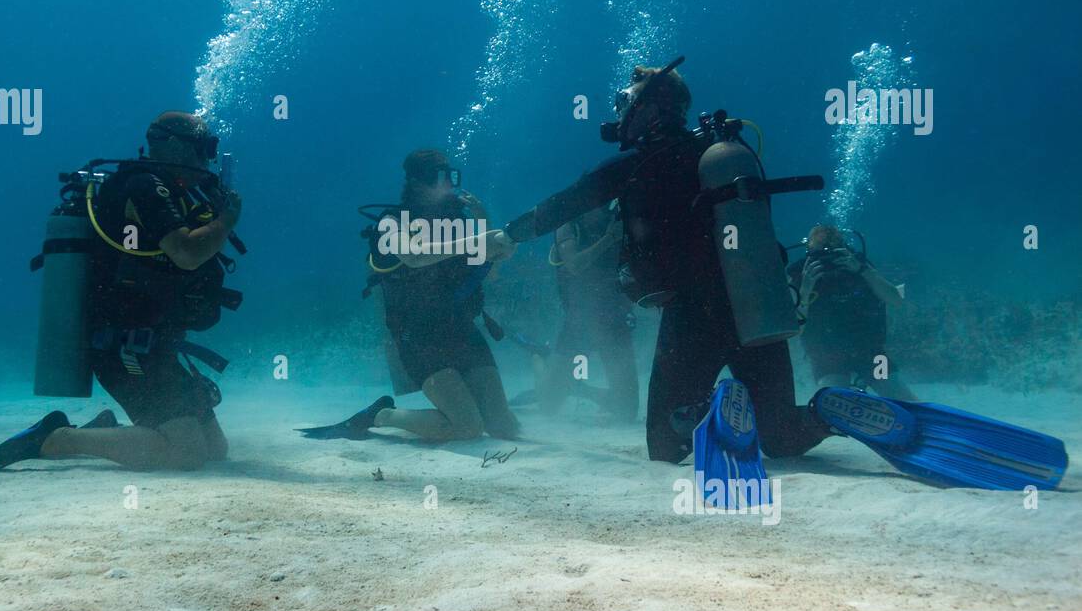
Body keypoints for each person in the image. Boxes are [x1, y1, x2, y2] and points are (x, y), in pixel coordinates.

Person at [0, 111, 242, 478]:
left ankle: (102, 429)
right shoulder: (144, 187)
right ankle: (54, 439)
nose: (206, 158)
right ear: (174, 146)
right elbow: (187, 252)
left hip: (155, 343)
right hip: (123, 348)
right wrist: (227, 218)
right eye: (204, 147)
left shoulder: (177, 195)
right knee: (185, 452)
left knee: (215, 450)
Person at [501, 60, 828, 462]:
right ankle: (826, 413)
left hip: (694, 315)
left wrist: (510, 233)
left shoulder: (638, 163)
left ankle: (714, 407)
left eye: (626, 102)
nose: (621, 113)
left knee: (664, 445)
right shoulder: (720, 153)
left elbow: (568, 202)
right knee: (782, 437)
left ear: (650, 108)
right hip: (756, 305)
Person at [301, 150, 520, 442]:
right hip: (421, 337)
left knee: (503, 426)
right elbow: (413, 255)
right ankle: (380, 416)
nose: (445, 184)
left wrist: (489, 232)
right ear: (416, 181)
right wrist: (481, 239)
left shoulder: (461, 221)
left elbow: (489, 274)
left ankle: (477, 405)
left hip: (462, 329)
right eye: (436, 176)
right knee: (467, 427)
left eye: (449, 175)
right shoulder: (391, 222)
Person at [534, 203, 639, 421]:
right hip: (579, 319)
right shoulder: (569, 224)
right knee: (547, 407)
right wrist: (609, 238)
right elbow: (574, 264)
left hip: (614, 316)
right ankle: (545, 366)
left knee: (627, 411)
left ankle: (579, 388)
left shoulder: (618, 218)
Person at [790, 225, 916, 400]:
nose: (829, 261)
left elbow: (896, 300)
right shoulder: (800, 273)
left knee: (905, 401)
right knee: (834, 402)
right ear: (809, 252)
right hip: (826, 354)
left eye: (834, 253)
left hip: (870, 351)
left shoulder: (860, 267)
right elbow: (796, 328)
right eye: (820, 255)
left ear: (845, 249)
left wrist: (863, 271)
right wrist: (804, 291)